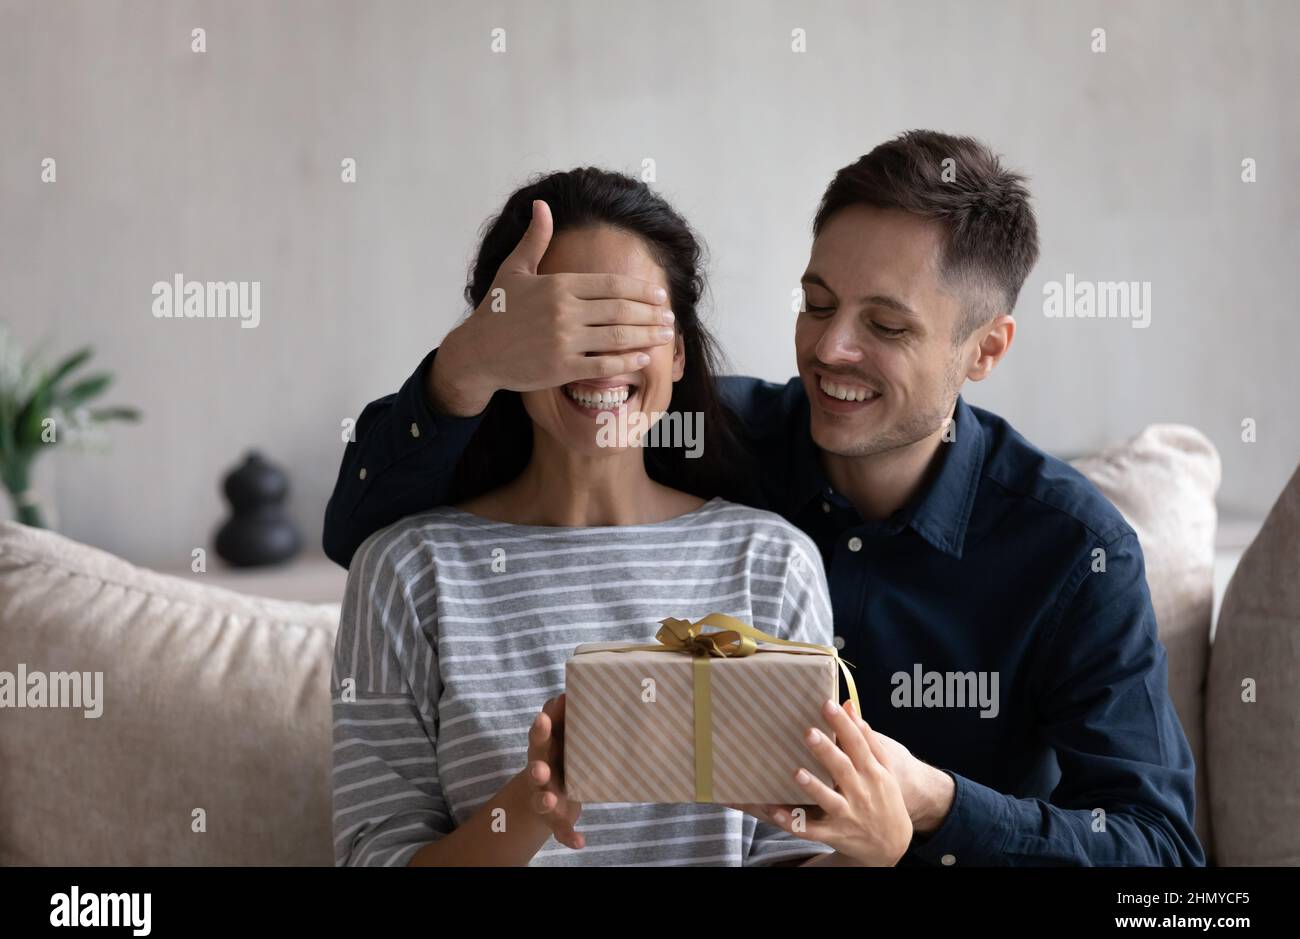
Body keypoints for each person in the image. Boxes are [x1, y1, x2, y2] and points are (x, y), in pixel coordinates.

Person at [325, 131, 1207, 866]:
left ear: (986, 349)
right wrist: (470, 362)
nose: (831, 350)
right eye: (816, 304)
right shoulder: (715, 433)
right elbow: (372, 533)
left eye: (887, 326)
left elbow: (1163, 860)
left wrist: (930, 807)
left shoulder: (1071, 550)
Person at [330, 167, 913, 867]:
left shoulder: (768, 561)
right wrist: (534, 803)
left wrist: (876, 852)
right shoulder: (405, 569)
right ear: (503, 346)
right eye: (569, 326)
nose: (602, 360)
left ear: (676, 352)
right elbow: (375, 855)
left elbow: (786, 851)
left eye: (631, 323)